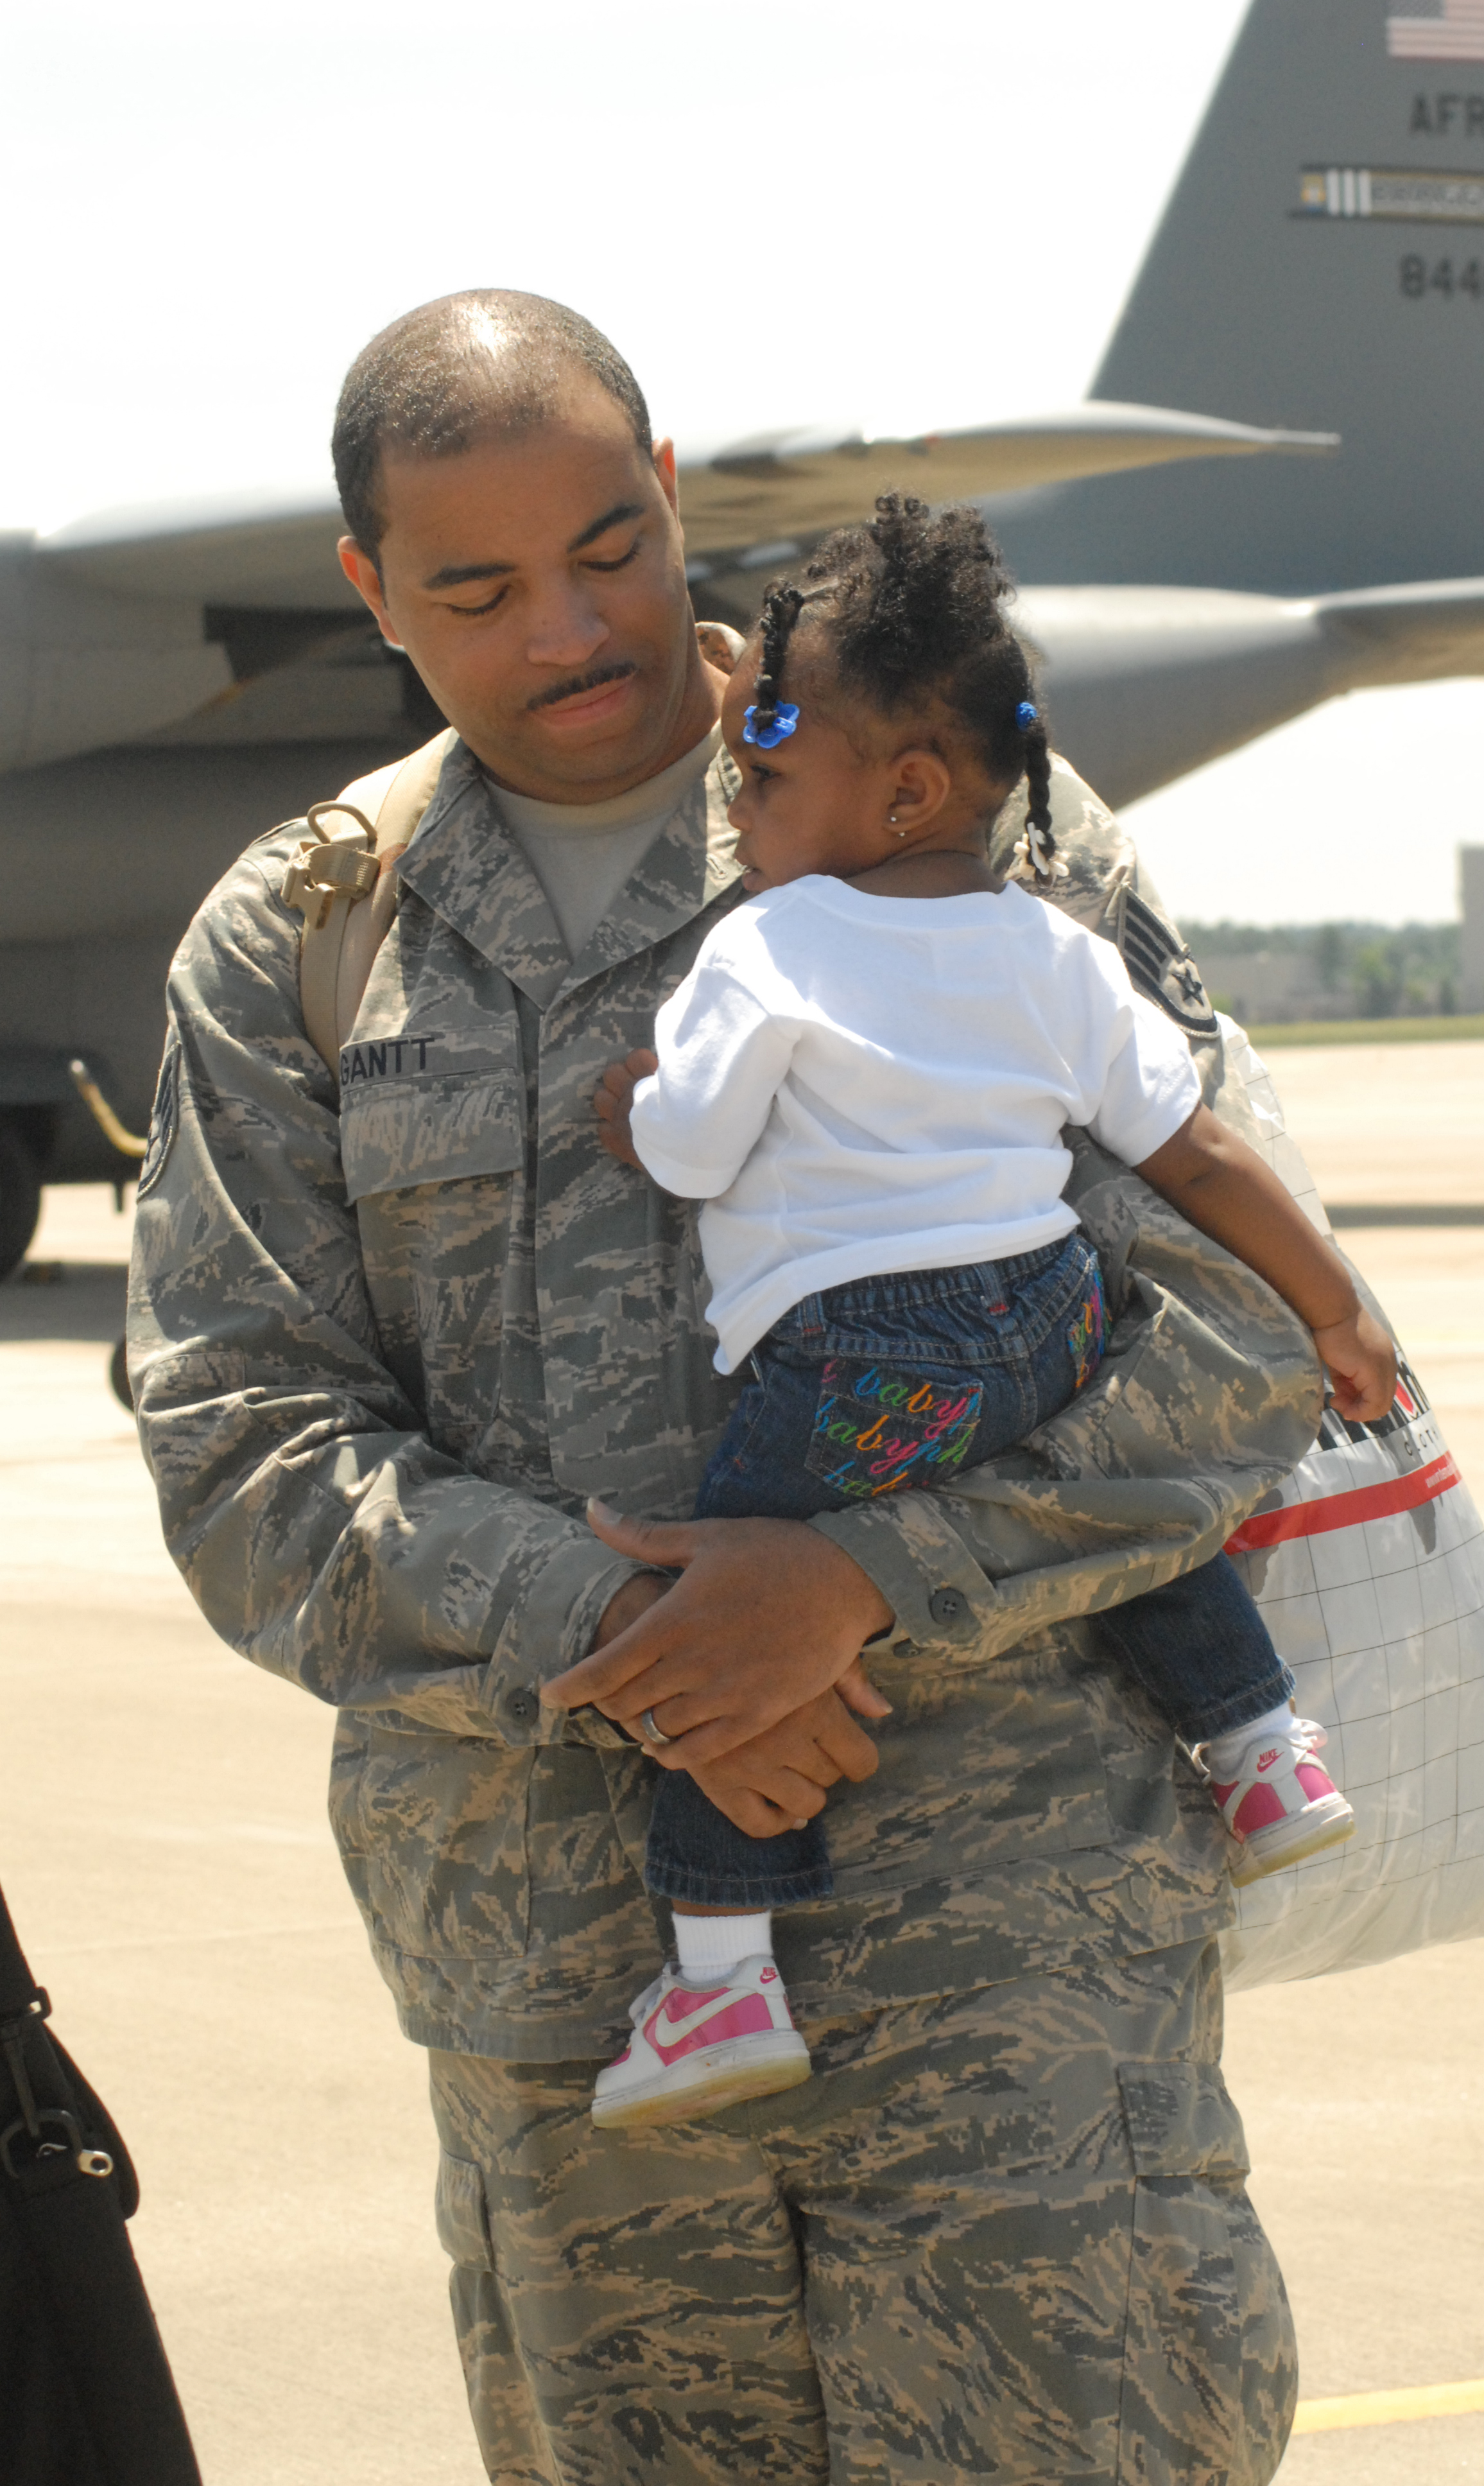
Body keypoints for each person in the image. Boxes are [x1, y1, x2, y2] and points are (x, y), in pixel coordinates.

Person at [129, 290, 1321, 2486]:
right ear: (369, 595)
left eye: (609, 548)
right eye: (476, 592)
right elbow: (238, 1436)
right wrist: (623, 1632)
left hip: (1007, 1976)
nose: (569, 628)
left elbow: (1245, 1331)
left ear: (672, 496)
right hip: (577, 2014)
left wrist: (867, 1581)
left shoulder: (955, 820)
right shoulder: (303, 936)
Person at [584, 496, 1390, 2130]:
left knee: (728, 1630)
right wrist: (1339, 1307)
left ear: (902, 790)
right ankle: (1262, 1752)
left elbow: (694, 1147)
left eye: (763, 771)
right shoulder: (1057, 949)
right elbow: (1200, 1153)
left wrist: (633, 1106)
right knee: (1145, 1542)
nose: (735, 807)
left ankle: (721, 1981)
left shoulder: (766, 944)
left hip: (855, 1354)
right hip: (1046, 1318)